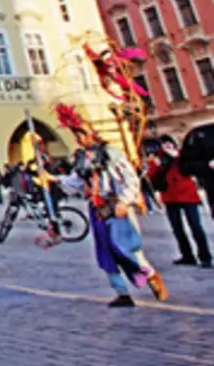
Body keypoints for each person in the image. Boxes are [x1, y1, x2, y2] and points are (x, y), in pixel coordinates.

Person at [54, 104, 166, 308]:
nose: (78, 139)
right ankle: (122, 292)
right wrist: (53, 179)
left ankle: (149, 274)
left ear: (91, 134)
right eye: (75, 135)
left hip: (116, 204)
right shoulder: (81, 158)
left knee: (126, 247)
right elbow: (77, 182)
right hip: (97, 208)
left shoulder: (109, 153)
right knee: (105, 252)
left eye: (81, 134)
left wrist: (125, 200)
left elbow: (128, 178)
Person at [148, 139, 212, 268]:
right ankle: (187, 255)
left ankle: (205, 257)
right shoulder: (159, 159)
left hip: (187, 196)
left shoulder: (183, 156)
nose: (167, 147)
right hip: (170, 197)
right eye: (165, 145)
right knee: (178, 229)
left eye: (170, 144)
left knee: (195, 227)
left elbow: (190, 169)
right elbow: (152, 177)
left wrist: (177, 158)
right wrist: (156, 165)